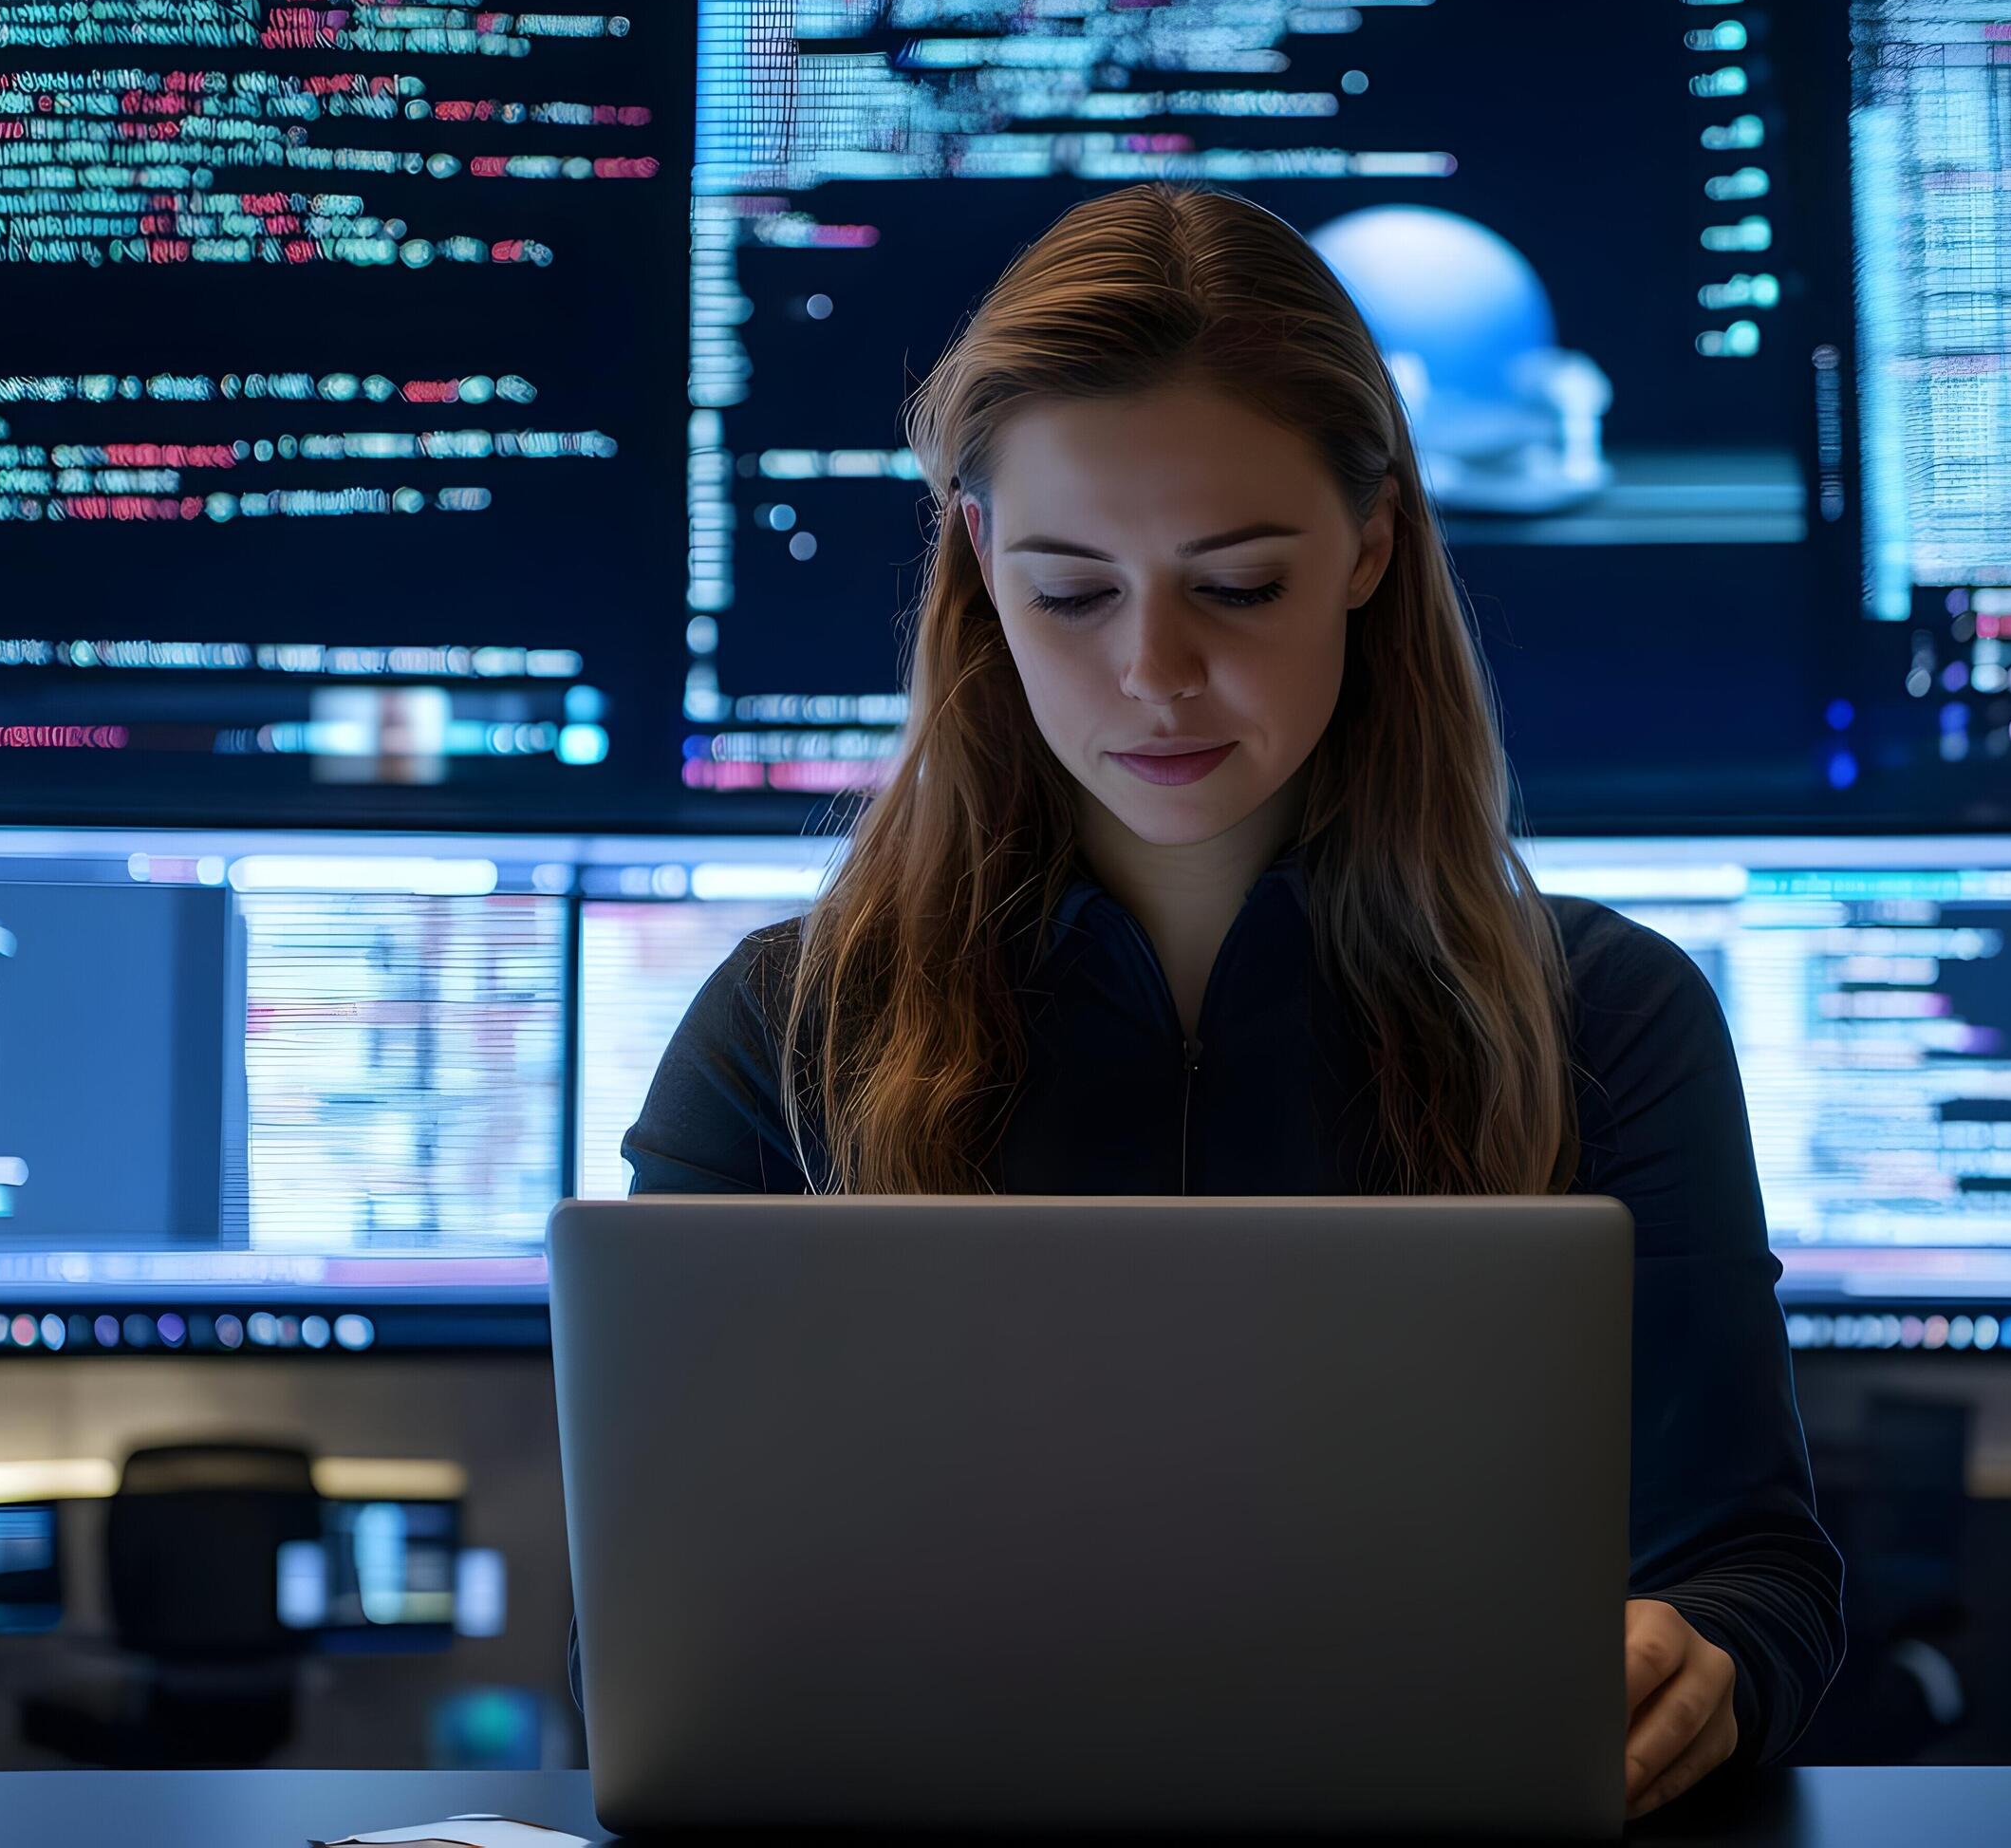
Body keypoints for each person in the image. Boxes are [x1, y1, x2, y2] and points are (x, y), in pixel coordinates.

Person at [625, 183, 1842, 1817]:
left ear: (1371, 547)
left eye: (1240, 584)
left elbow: (1751, 1567)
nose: (1155, 673)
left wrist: (1701, 1666)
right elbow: (652, 1648)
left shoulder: (1606, 1016)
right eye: (1072, 590)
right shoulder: (787, 1028)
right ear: (980, 560)